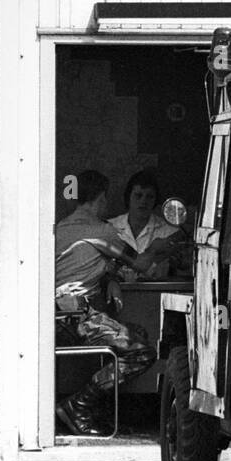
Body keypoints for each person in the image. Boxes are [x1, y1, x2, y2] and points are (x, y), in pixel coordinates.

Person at [54, 168, 176, 436]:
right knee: (142, 351)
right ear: (100, 198)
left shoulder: (61, 227)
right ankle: (78, 405)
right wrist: (156, 248)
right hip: (76, 319)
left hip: (56, 317)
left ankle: (100, 412)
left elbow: (90, 263)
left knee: (138, 334)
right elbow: (142, 263)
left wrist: (111, 279)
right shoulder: (101, 231)